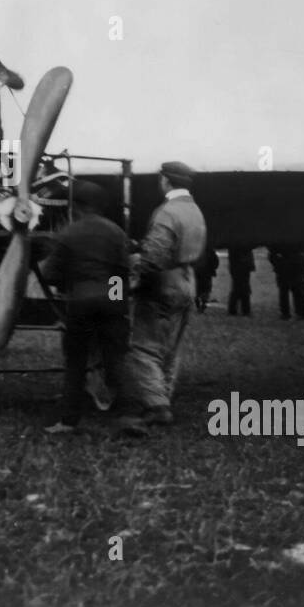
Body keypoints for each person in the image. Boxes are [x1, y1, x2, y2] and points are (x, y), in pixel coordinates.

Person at [119, 162, 207, 435]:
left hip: (163, 283)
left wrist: (136, 279)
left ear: (165, 181)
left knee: (143, 348)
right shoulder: (194, 210)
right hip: (186, 279)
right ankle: (163, 397)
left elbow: (155, 256)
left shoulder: (167, 212)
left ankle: (156, 406)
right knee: (171, 348)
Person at [38, 181, 132, 434]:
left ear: (76, 207)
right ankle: (128, 418)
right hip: (113, 304)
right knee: (116, 361)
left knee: (76, 363)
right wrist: (112, 296)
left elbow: (50, 274)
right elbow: (124, 270)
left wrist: (73, 281)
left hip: (80, 304)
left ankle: (68, 421)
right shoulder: (116, 232)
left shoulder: (68, 233)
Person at [268, 244, 304, 320]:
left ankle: (287, 313)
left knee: (286, 290)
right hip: (293, 260)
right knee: (295, 289)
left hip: (285, 260)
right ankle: (299, 312)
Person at [227, 246, 255, 316]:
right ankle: (244, 310)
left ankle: (235, 309)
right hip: (241, 265)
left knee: (238, 288)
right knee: (241, 288)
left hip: (239, 266)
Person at [194, 245, 220, 312]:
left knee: (197, 288)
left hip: (197, 272)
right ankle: (203, 303)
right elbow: (216, 261)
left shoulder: (195, 248)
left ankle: (198, 302)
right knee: (206, 289)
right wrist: (213, 269)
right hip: (207, 273)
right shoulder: (210, 250)